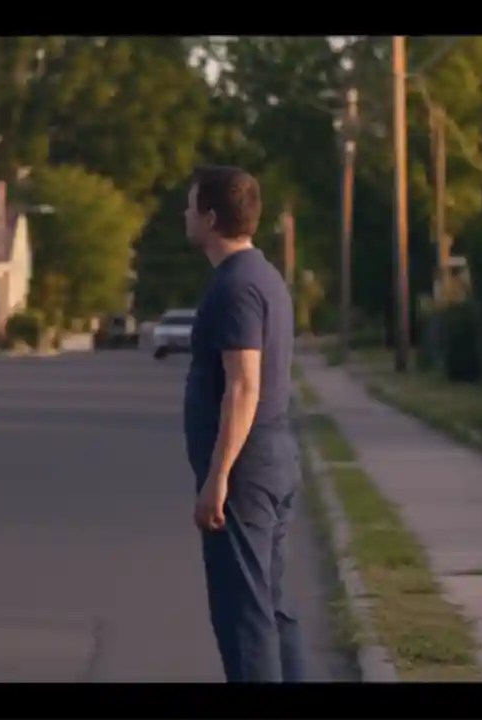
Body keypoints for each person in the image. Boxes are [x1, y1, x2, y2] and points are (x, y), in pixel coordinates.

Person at [181, 165, 305, 683]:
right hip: (271, 460)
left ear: (210, 217)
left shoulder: (236, 286)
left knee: (245, 620)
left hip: (247, 472)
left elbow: (244, 385)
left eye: (190, 208)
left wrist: (218, 476)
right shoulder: (263, 276)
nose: (185, 217)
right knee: (268, 609)